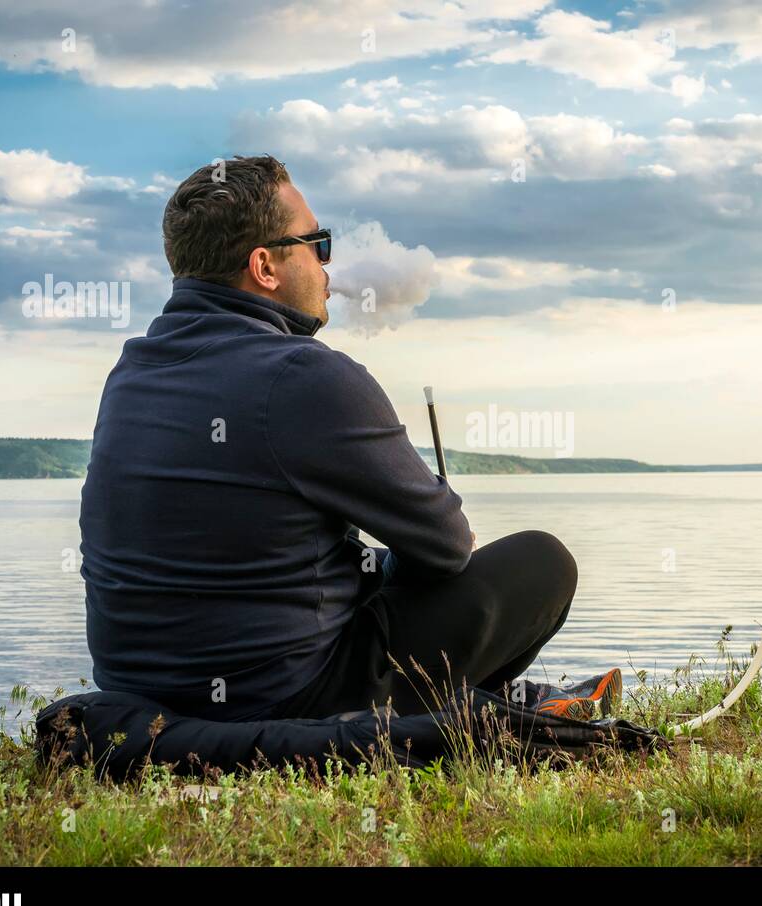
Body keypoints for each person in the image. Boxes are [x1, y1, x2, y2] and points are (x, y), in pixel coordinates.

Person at [78, 155, 621, 724]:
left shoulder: (131, 374)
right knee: (542, 562)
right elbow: (447, 545)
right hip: (284, 700)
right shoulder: (305, 376)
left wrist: (375, 565)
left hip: (142, 695)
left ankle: (496, 705)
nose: (327, 265)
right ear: (265, 266)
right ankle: (469, 713)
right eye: (318, 243)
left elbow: (247, 554)